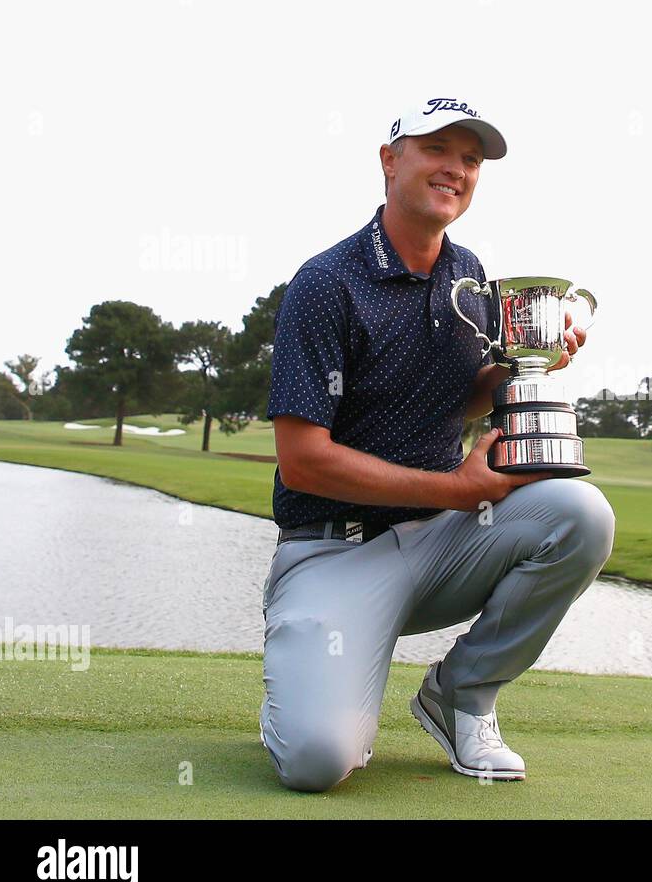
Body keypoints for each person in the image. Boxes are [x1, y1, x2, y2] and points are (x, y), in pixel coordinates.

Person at [259, 96, 615, 792]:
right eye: (437, 150)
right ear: (389, 160)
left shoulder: (470, 272)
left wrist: (527, 360)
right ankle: (298, 707)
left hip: (441, 541)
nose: (456, 168)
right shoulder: (325, 283)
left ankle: (462, 694)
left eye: (471, 159)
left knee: (582, 514)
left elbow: (464, 392)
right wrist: (455, 489)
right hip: (332, 550)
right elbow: (302, 460)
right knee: (318, 762)